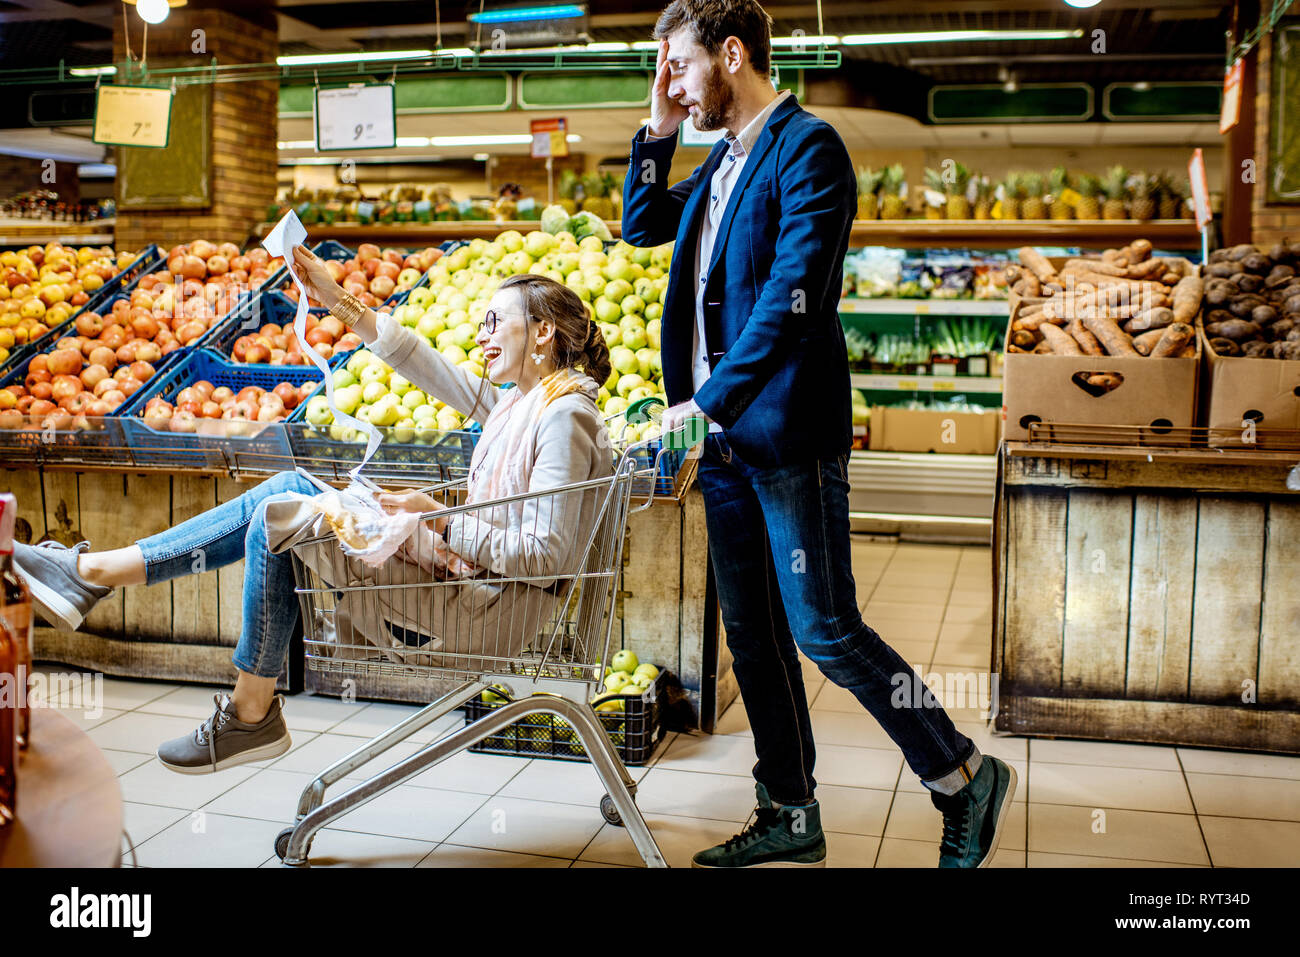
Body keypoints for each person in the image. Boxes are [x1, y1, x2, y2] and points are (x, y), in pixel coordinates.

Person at [622, 0, 1017, 868]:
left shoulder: (808, 150)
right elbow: (642, 225)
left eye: (679, 68)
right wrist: (656, 126)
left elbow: (792, 302)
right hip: (722, 442)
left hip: (785, 433)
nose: (673, 85)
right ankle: (789, 809)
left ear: (733, 53)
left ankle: (961, 772)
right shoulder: (723, 161)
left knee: (827, 627)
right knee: (753, 634)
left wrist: (709, 399)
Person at [13, 251, 613, 774]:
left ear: (542, 334)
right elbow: (418, 359)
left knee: (282, 508)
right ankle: (114, 594)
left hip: (492, 609)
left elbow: (548, 554)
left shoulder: (563, 416)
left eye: (494, 322)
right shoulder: (519, 404)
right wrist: (333, 298)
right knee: (285, 501)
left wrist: (441, 518)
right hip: (470, 586)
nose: (482, 336)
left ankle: (115, 594)